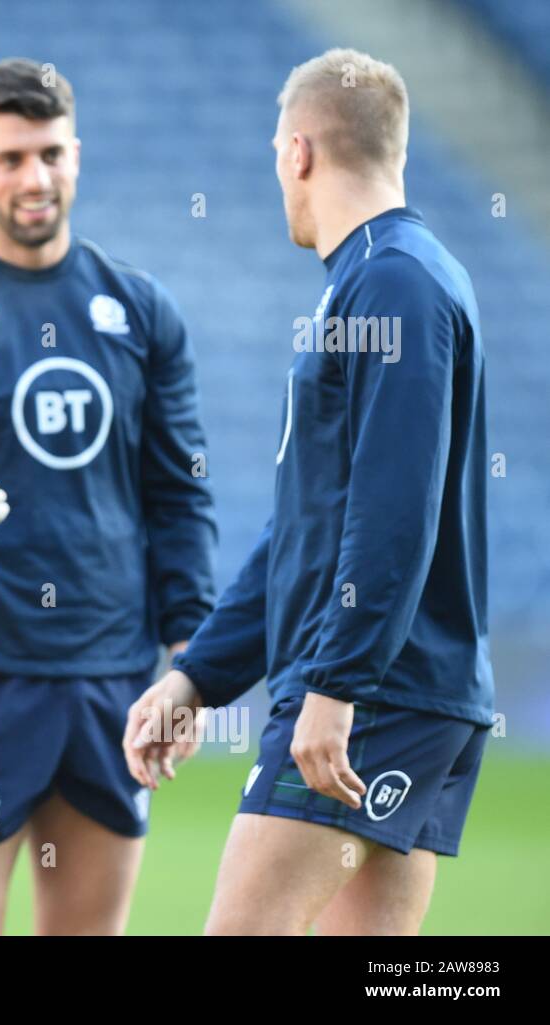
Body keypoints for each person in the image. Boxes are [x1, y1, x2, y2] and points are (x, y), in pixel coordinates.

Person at [124, 48, 494, 936]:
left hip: (373, 689)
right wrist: (199, 679)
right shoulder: (385, 276)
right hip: (410, 690)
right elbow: (308, 531)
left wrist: (336, 683)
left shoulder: (393, 281)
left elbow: (394, 506)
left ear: (297, 152)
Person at [0, 58, 215, 935]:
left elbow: (180, 498)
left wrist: (190, 661)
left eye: (52, 154)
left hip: (113, 677)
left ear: (77, 156)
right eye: (13, 157)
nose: (36, 177)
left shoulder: (139, 311)